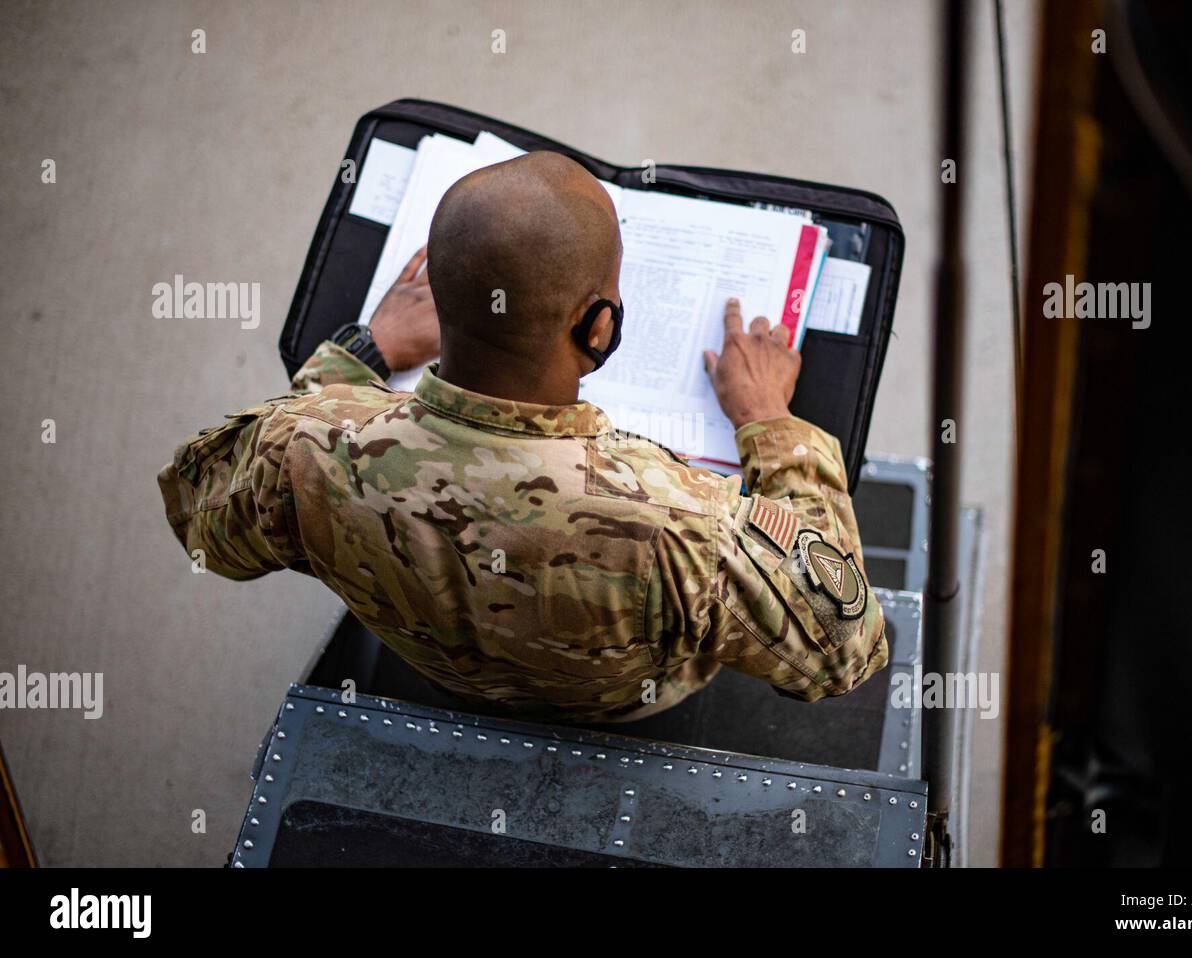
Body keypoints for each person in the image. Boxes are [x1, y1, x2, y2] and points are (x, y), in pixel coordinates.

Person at [158, 151, 887, 721]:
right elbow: (847, 649)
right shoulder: (692, 529)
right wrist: (771, 424)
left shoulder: (304, 449)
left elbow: (204, 525)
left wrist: (361, 354)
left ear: (438, 299)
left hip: (431, 664)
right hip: (623, 709)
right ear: (599, 326)